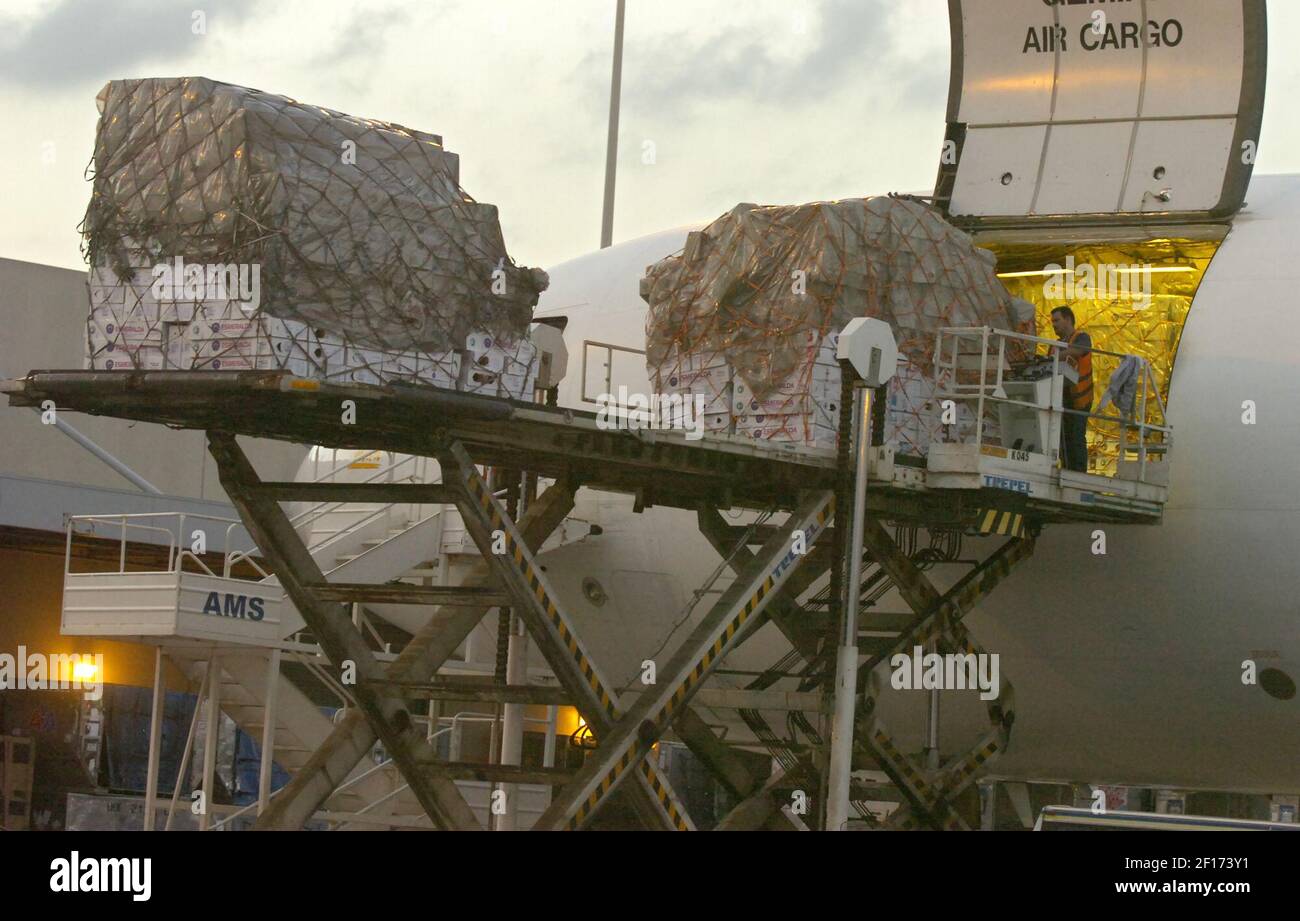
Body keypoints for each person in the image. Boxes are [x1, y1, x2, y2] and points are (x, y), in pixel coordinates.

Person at [1050, 306, 1092, 472]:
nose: (1053, 325)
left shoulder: (1081, 337)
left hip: (1080, 397)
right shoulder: (1055, 344)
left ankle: (1079, 471)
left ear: (1068, 319)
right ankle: (1067, 469)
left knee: (1076, 436)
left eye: (1056, 320)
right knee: (1062, 437)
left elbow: (1078, 351)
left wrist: (1054, 356)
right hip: (1061, 397)